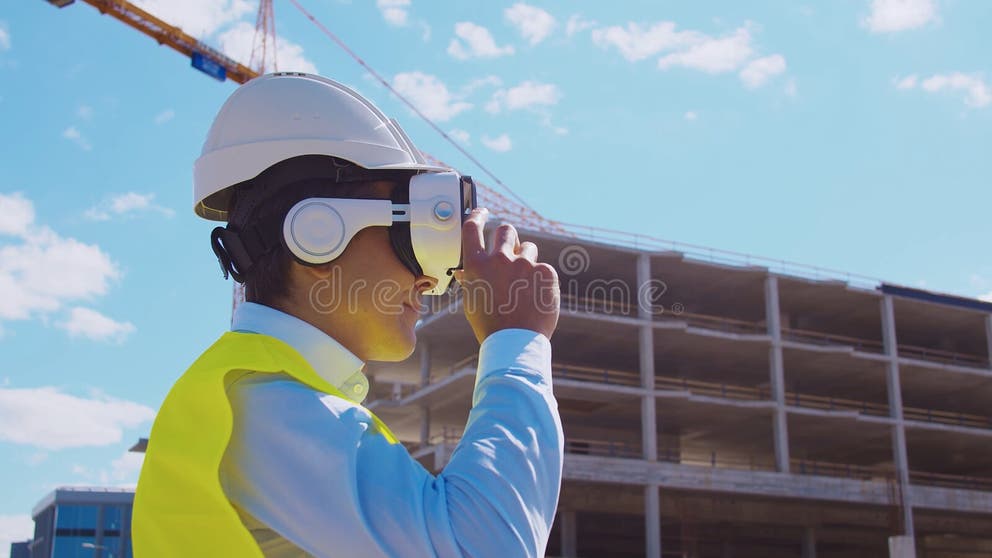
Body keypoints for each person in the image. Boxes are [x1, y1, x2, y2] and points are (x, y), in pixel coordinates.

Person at [133, 72, 563, 558]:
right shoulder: (264, 410)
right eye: (412, 238)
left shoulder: (260, 401)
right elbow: (483, 549)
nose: (428, 279)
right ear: (316, 236)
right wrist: (517, 339)